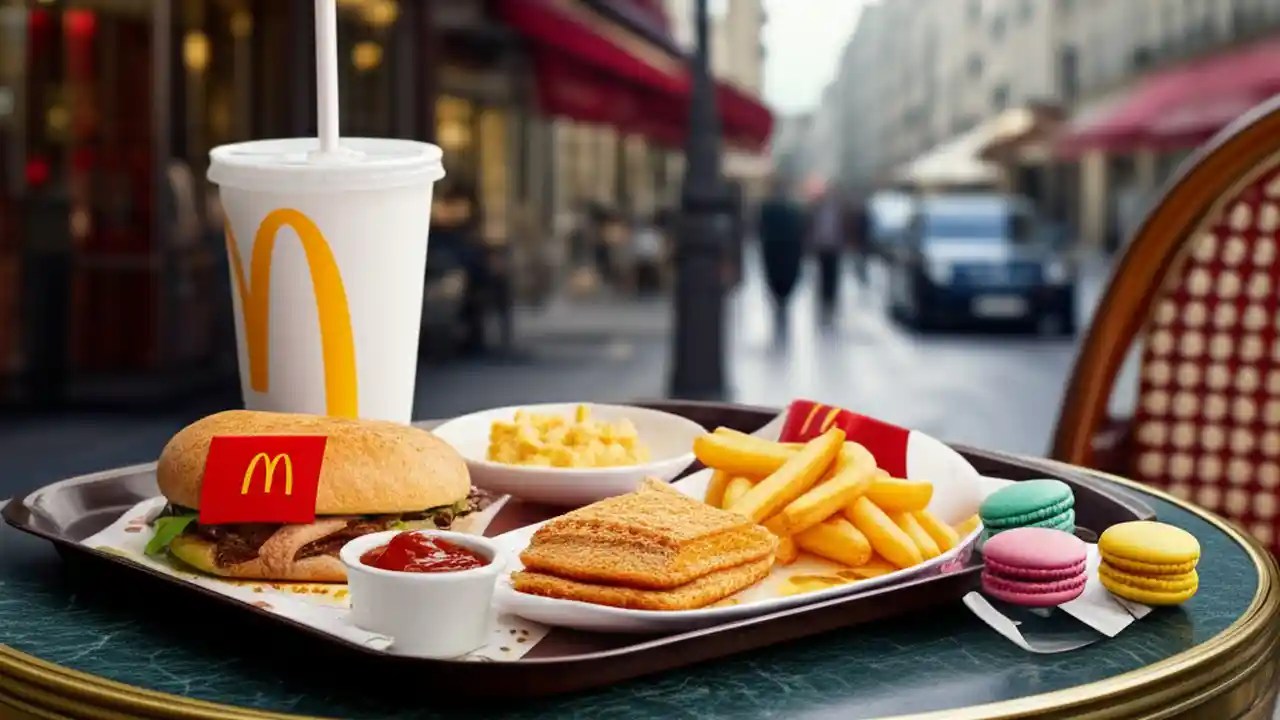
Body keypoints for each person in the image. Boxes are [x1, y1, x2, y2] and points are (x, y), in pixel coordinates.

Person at [757, 179, 805, 343]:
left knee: (784, 277)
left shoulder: (792, 210)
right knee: (778, 276)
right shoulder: (770, 209)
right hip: (777, 250)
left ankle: (782, 299)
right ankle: (780, 299)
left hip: (785, 251)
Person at [809, 190, 845, 324]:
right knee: (823, 274)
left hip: (834, 248)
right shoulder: (818, 211)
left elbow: (841, 229)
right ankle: (824, 297)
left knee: (832, 275)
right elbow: (814, 228)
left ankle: (831, 298)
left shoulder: (838, 212)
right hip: (823, 247)